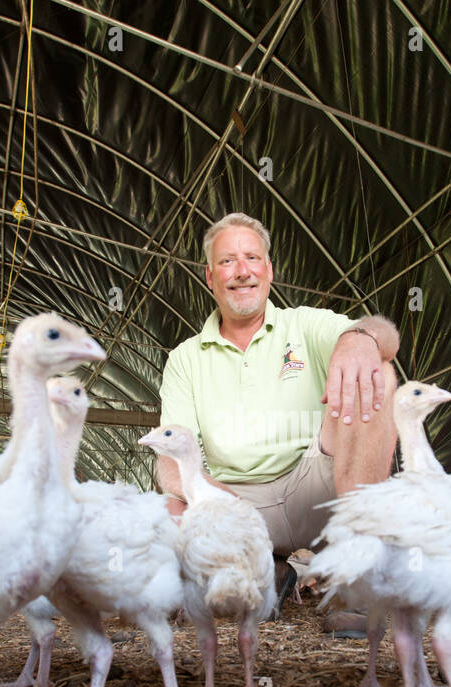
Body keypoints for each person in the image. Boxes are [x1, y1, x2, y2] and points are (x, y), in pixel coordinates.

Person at [156, 212, 399, 631]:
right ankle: (266, 574)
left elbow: (382, 332)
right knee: (165, 511)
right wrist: (226, 508)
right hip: (237, 505)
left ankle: (357, 578)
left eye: (252, 257)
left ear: (268, 270)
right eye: (227, 261)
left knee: (376, 369)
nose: (242, 271)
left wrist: (361, 340)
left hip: (320, 487)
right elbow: (170, 461)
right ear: (210, 276)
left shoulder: (304, 324)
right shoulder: (184, 359)